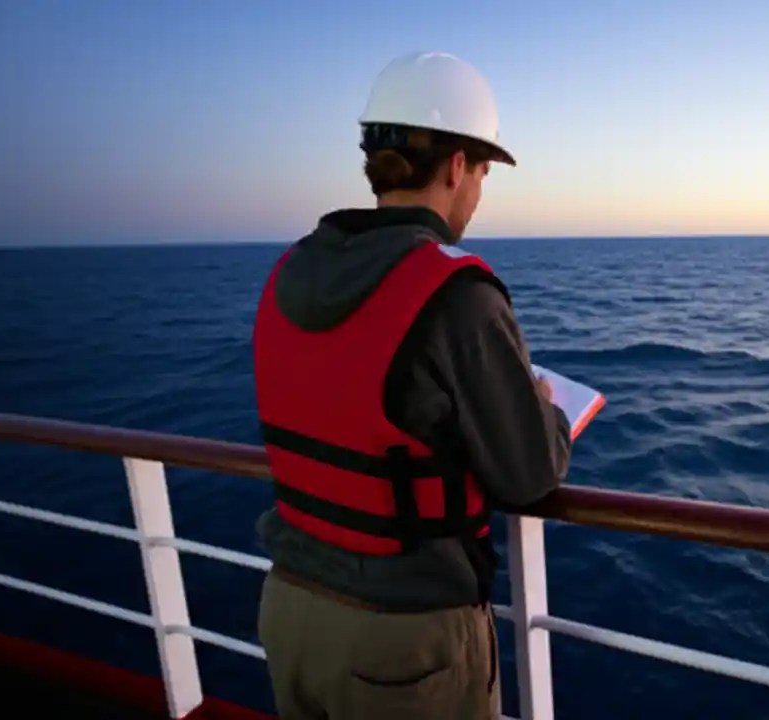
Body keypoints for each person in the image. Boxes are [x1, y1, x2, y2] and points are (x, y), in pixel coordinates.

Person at [251, 51, 572, 720]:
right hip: (402, 644)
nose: (479, 193)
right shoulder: (456, 294)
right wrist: (546, 413)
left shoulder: (291, 271)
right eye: (483, 172)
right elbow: (529, 474)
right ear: (458, 168)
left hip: (289, 612)